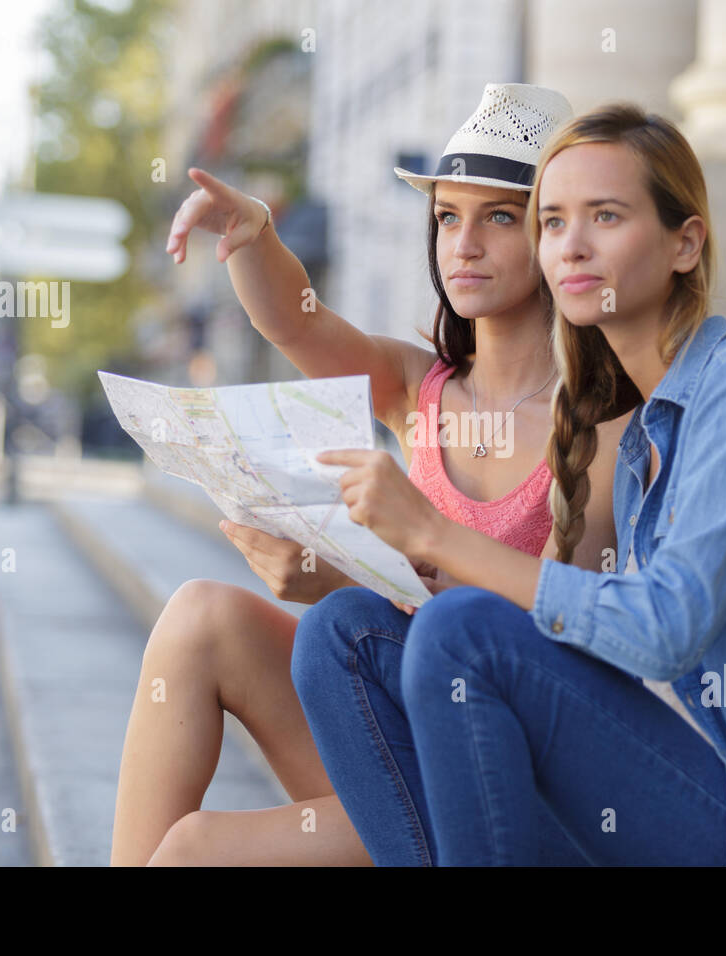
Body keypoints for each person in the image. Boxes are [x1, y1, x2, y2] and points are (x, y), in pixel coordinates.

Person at [292, 102, 726, 865]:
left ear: (685, 243)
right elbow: (588, 650)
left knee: (461, 634)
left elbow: (663, 629)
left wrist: (437, 534)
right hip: (722, 812)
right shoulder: (640, 441)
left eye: (607, 216)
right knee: (345, 633)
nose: (573, 247)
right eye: (552, 222)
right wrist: (415, 565)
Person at [109, 83, 628, 866]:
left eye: (498, 217)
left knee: (193, 852)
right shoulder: (417, 387)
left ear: (557, 234)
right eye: (448, 216)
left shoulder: (600, 428)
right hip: (382, 731)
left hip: (492, 784)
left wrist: (345, 583)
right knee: (199, 618)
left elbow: (548, 647)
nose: (464, 244)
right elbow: (299, 322)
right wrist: (254, 235)